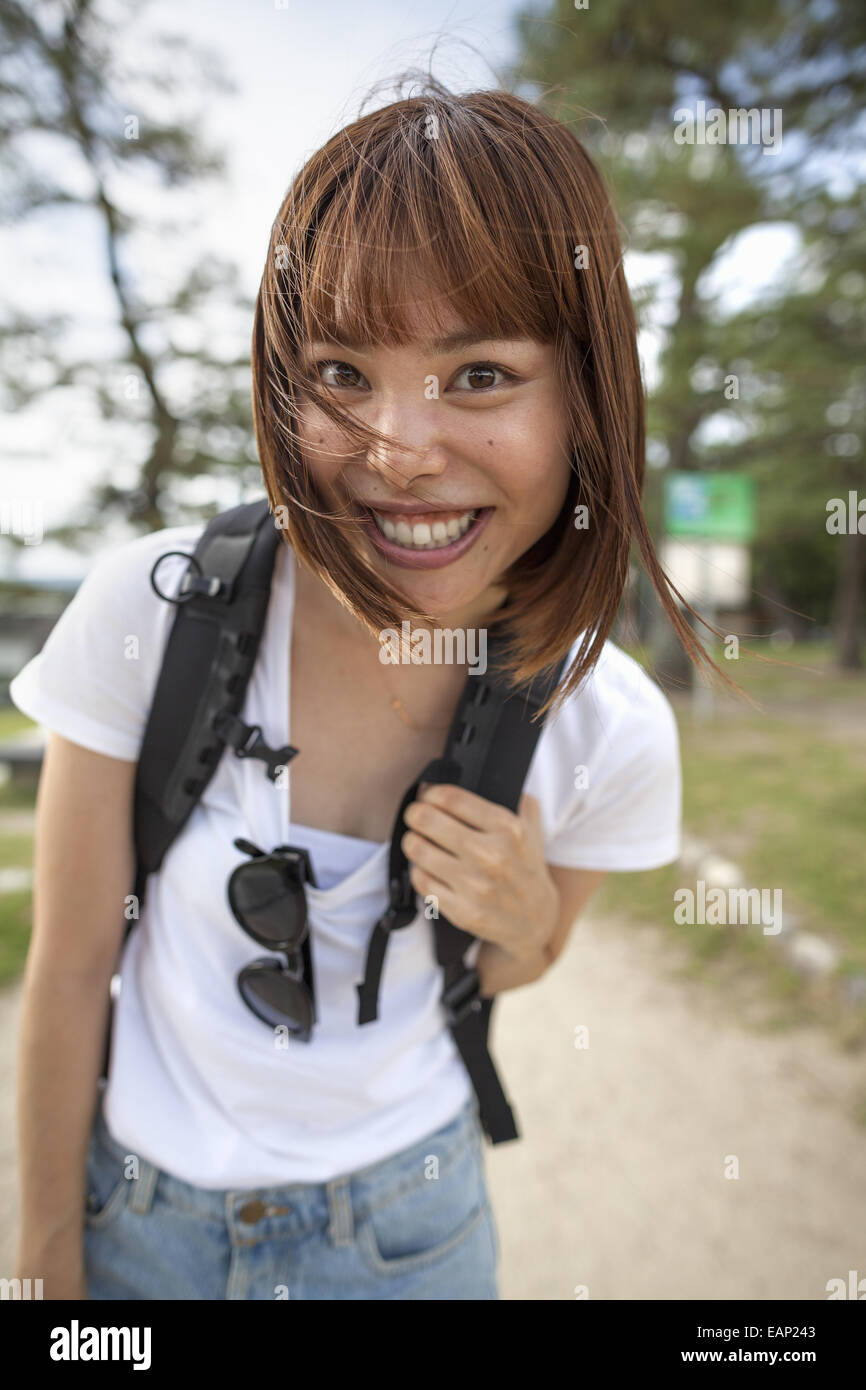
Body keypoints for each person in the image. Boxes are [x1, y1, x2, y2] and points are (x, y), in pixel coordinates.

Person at [10, 81, 712, 1301]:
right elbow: (70, 968)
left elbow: (514, 968)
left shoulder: (608, 722)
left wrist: (518, 911)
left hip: (410, 1234)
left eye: (480, 373)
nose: (395, 449)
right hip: (138, 1228)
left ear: (585, 397)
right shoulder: (151, 611)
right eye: (339, 369)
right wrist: (38, 1274)